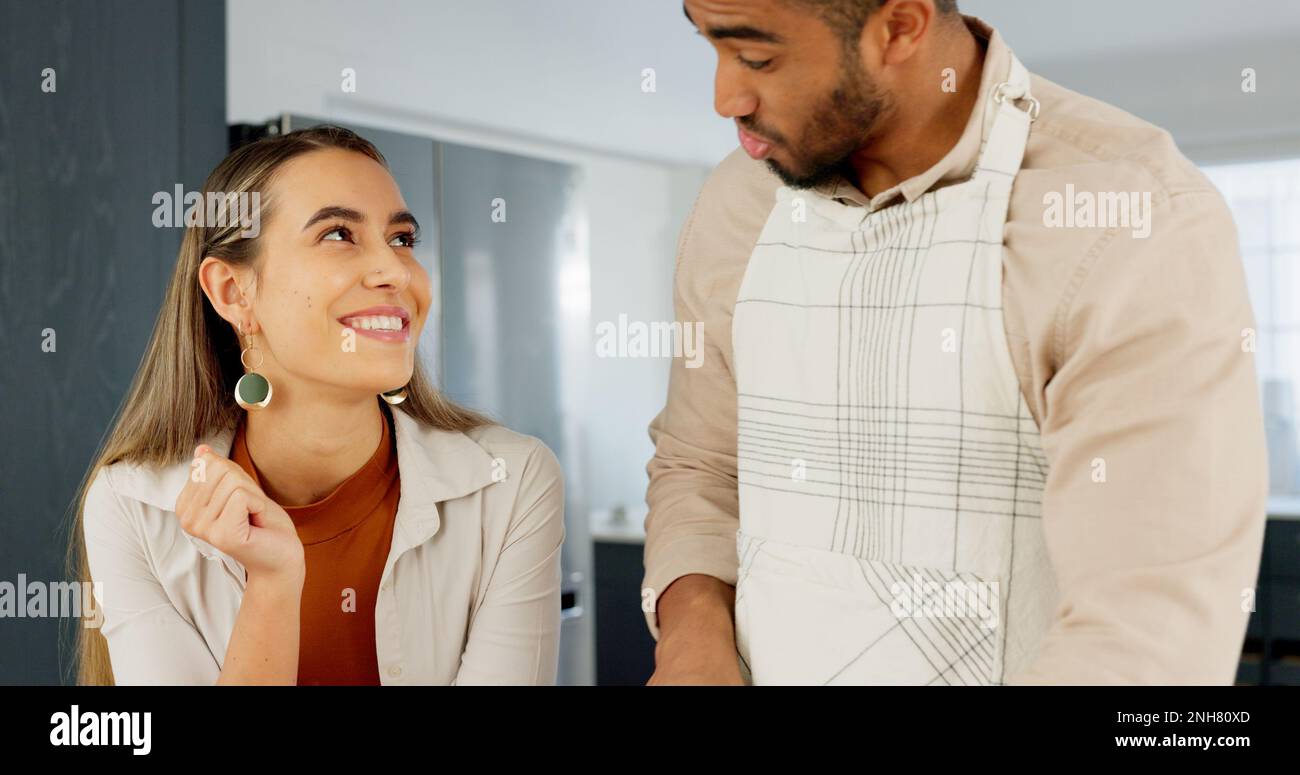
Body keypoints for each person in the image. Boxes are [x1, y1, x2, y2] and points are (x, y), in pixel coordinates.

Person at [643, 0, 1268, 684]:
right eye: (711, 47)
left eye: (758, 57)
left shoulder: (1129, 217)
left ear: (900, 26)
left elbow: (1149, 632)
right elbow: (700, 463)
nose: (723, 96)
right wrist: (691, 638)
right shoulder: (739, 200)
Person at [74, 126, 565, 685]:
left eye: (402, 239)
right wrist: (273, 584)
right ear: (234, 293)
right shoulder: (133, 504)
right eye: (338, 234)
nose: (395, 272)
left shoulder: (513, 482)